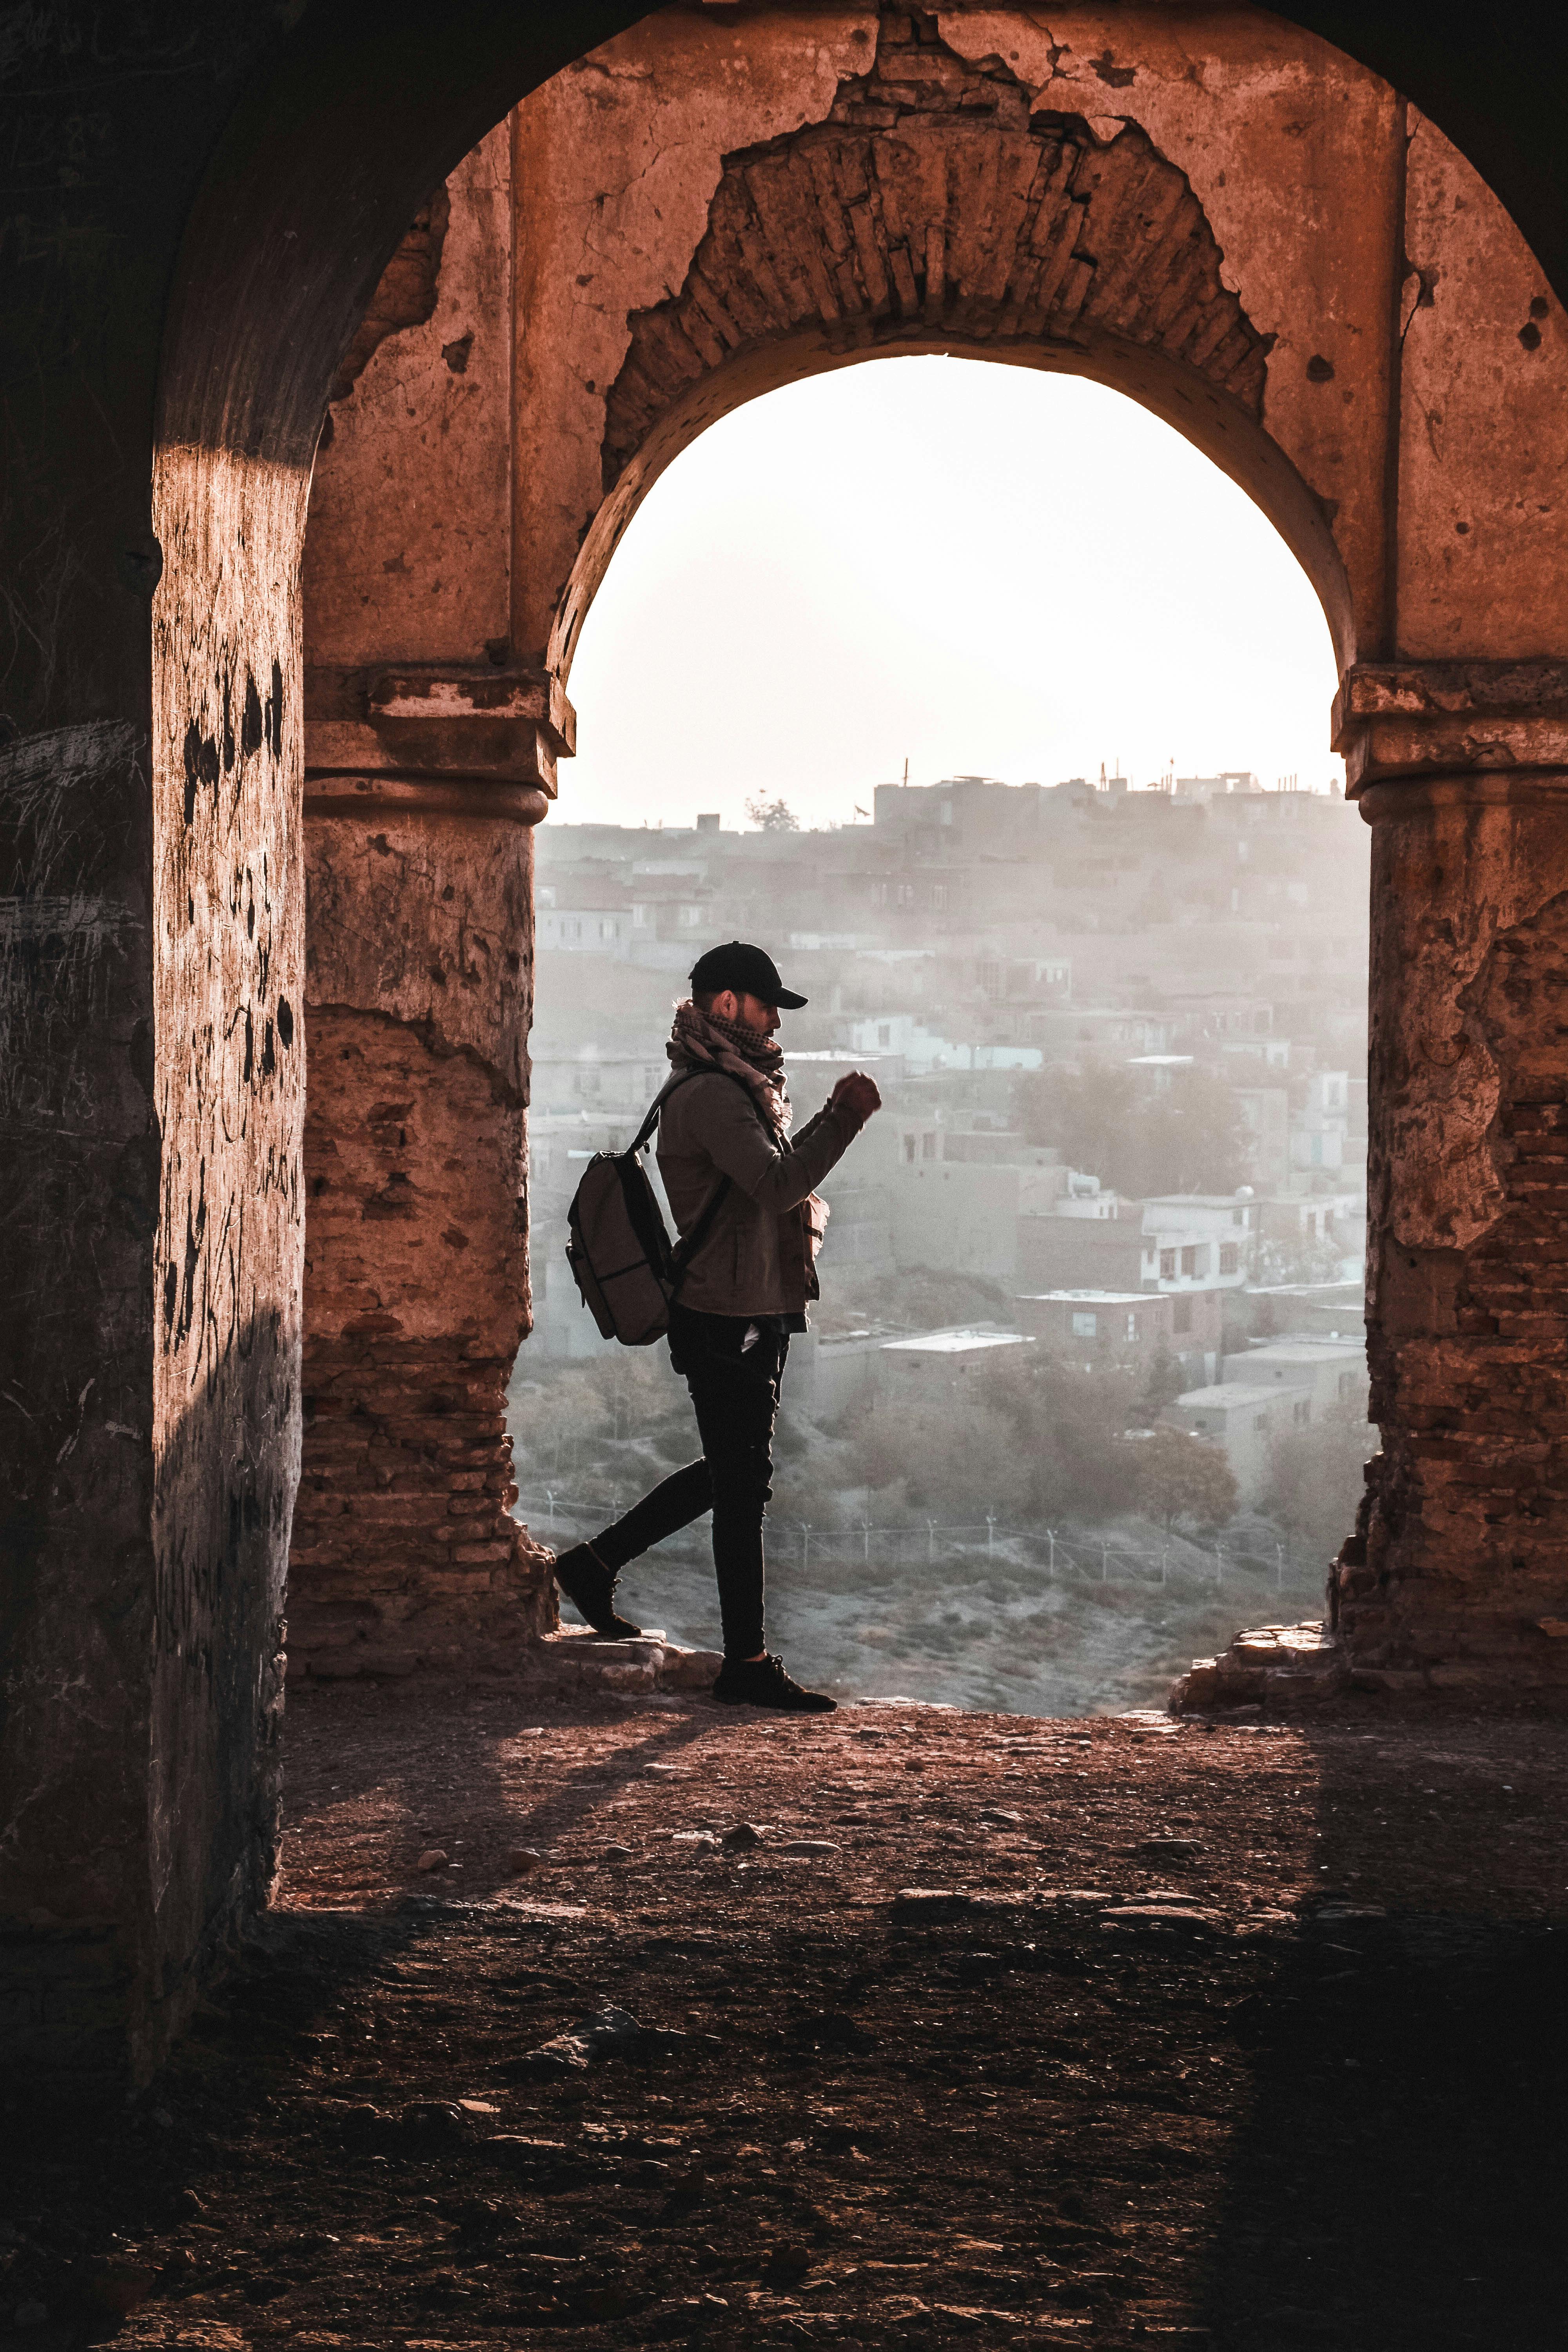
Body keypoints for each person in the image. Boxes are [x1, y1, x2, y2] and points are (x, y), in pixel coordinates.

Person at [550, 940, 882, 1713]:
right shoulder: (710, 1095)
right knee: (740, 1483)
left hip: (745, 1310)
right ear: (727, 1005)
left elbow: (768, 1182)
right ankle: (742, 1660)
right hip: (725, 1316)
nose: (774, 1022)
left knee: (738, 1476)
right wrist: (842, 1118)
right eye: (766, 1006)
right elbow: (776, 1186)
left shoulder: (732, 1087)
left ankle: (600, 1567)